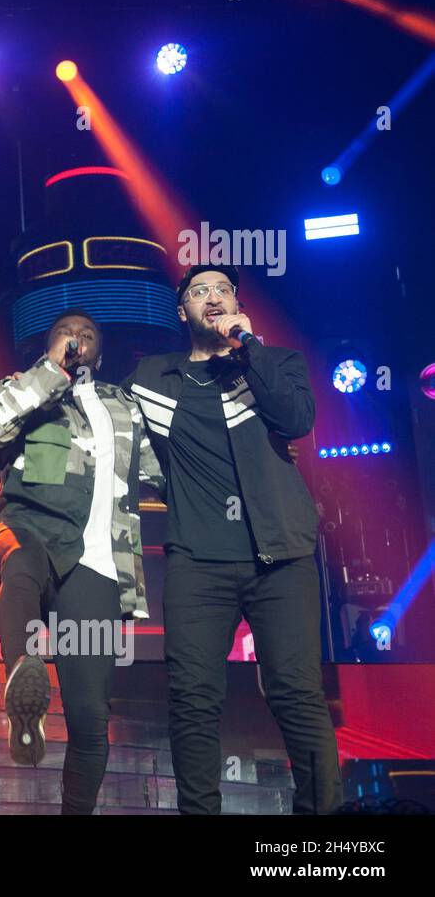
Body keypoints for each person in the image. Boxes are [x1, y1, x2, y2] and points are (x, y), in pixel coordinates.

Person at [122, 265, 342, 814]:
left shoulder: (276, 363)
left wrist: (249, 346)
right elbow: (115, 438)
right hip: (199, 562)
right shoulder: (152, 378)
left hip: (281, 559)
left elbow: (295, 419)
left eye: (224, 290)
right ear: (182, 311)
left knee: (298, 696)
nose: (214, 298)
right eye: (200, 291)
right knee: (193, 701)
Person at [0, 309, 163, 813]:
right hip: (27, 529)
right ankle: (22, 676)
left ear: (100, 350)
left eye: (87, 334)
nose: (76, 339)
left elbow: (171, 474)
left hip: (99, 568)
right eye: (65, 333)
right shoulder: (24, 387)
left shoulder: (125, 407)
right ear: (49, 343)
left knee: (89, 721)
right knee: (23, 565)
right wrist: (50, 371)